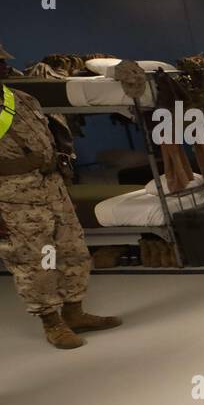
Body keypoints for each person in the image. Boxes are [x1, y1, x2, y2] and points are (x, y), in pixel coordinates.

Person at [0, 47, 121, 348]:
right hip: (14, 196)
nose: (3, 68)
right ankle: (52, 323)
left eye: (1, 62)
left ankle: (75, 312)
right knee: (34, 261)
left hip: (51, 185)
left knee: (73, 250)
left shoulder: (24, 100)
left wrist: (62, 179)